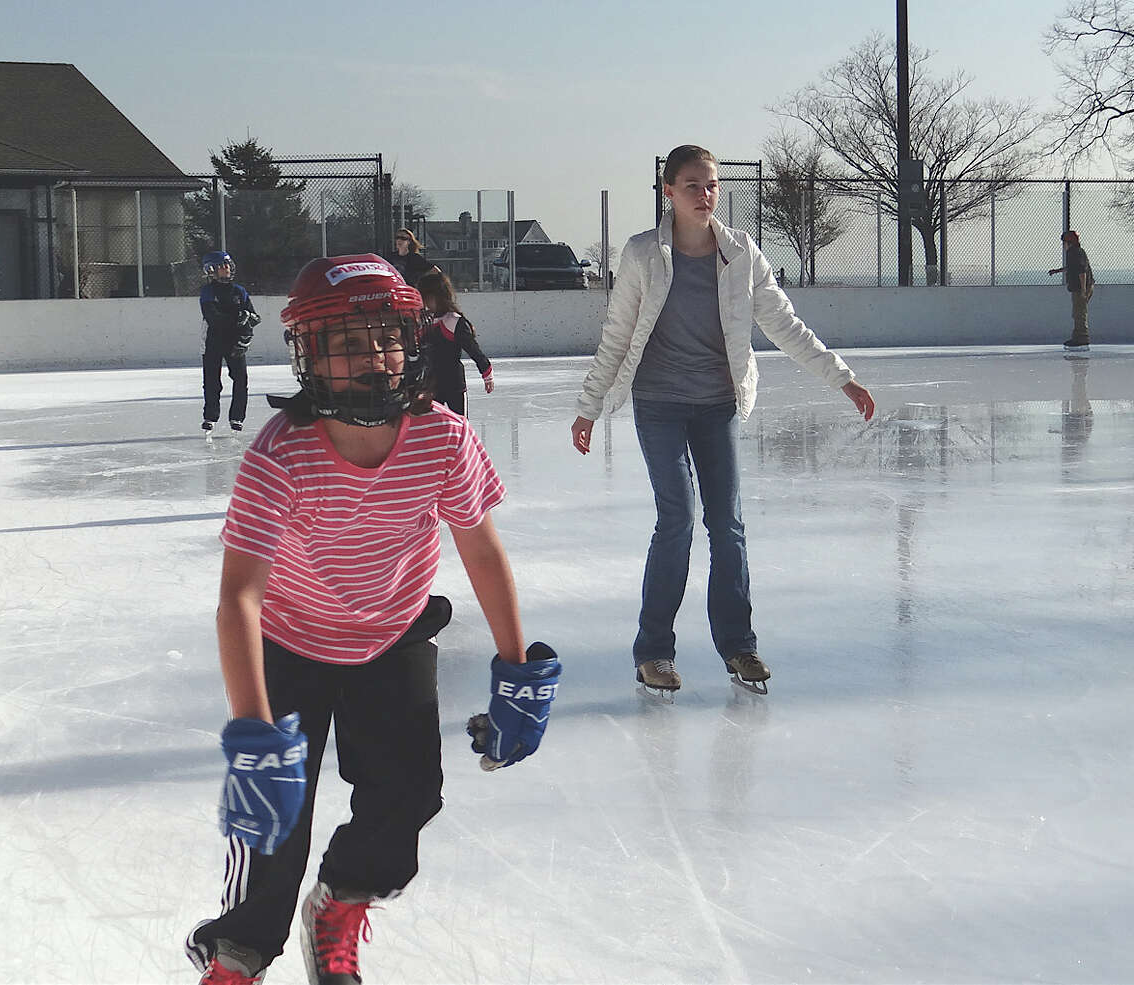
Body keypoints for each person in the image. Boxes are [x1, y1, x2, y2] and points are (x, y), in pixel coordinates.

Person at [185, 254, 560, 985]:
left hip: (393, 635)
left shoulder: (443, 438)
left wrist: (516, 668)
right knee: (274, 823)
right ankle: (238, 954)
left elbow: (480, 551)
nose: (374, 358)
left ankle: (340, 902)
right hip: (291, 641)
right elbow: (239, 599)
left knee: (410, 793)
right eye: (348, 343)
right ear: (309, 354)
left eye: (386, 339)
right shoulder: (280, 456)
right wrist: (257, 732)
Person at [569, 144, 875, 697]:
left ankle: (739, 645)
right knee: (677, 520)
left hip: (717, 404)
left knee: (727, 526)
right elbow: (615, 335)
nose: (705, 195)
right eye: (692, 185)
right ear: (668, 191)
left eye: (711, 185)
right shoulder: (642, 255)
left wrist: (841, 378)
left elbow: (784, 323)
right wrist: (589, 407)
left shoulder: (741, 255)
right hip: (659, 403)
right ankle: (653, 653)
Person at [417, 268, 494, 416]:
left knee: (461, 425)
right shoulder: (422, 322)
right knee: (432, 427)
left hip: (454, 385)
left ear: (437, 297)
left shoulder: (454, 321)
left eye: (425, 298)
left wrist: (487, 373)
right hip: (430, 386)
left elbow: (474, 350)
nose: (423, 302)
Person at [200, 251, 261, 434]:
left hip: (235, 342)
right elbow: (213, 317)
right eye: (221, 266)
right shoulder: (208, 292)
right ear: (211, 270)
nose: (226, 269)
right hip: (214, 341)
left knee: (240, 379)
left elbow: (254, 316)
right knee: (212, 381)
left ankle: (237, 417)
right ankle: (210, 416)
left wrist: (247, 325)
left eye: (227, 265)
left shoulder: (239, 291)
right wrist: (237, 319)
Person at [1048, 230, 1095, 352]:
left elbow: (1081, 271)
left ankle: (1082, 338)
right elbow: (1072, 267)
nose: (1063, 245)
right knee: (1077, 312)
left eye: (1064, 242)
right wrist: (1057, 271)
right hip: (1081, 287)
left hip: (1081, 288)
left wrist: (1084, 290)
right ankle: (1077, 337)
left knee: (1079, 312)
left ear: (1069, 242)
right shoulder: (1074, 252)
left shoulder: (1074, 253)